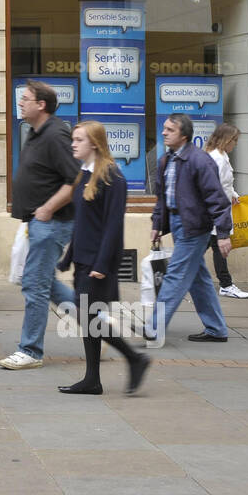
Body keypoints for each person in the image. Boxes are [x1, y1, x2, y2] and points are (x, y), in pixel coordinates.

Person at [58, 121, 150, 395]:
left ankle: (134, 359)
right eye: (73, 139)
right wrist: (68, 257)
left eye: (78, 140)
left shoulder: (112, 176)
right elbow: (84, 222)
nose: (73, 144)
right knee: (89, 317)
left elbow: (112, 225)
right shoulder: (83, 174)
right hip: (84, 260)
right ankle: (93, 379)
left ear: (94, 144)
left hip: (99, 263)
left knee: (88, 317)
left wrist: (101, 265)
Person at [0, 81, 79, 371]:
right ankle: (99, 325)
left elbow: (75, 180)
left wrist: (47, 208)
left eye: (26, 99)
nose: (20, 102)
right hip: (37, 222)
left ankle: (30, 350)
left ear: (41, 105)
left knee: (35, 285)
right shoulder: (36, 132)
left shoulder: (56, 134)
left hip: (52, 223)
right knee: (47, 285)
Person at [147, 113, 232, 343]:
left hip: (195, 228)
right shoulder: (167, 160)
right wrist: (157, 224)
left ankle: (153, 328)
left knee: (175, 275)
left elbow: (218, 199)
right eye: (164, 128)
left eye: (169, 130)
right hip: (177, 223)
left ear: (184, 135)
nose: (164, 132)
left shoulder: (199, 160)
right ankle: (216, 329)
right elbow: (162, 198)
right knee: (198, 278)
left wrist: (223, 234)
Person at [204, 123, 248, 299]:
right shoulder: (216, 158)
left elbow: (225, 184)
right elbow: (214, 186)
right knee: (214, 247)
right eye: (234, 140)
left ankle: (225, 284)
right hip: (216, 211)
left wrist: (234, 194)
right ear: (226, 140)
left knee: (213, 247)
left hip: (218, 210)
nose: (236, 144)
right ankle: (226, 284)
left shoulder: (222, 156)